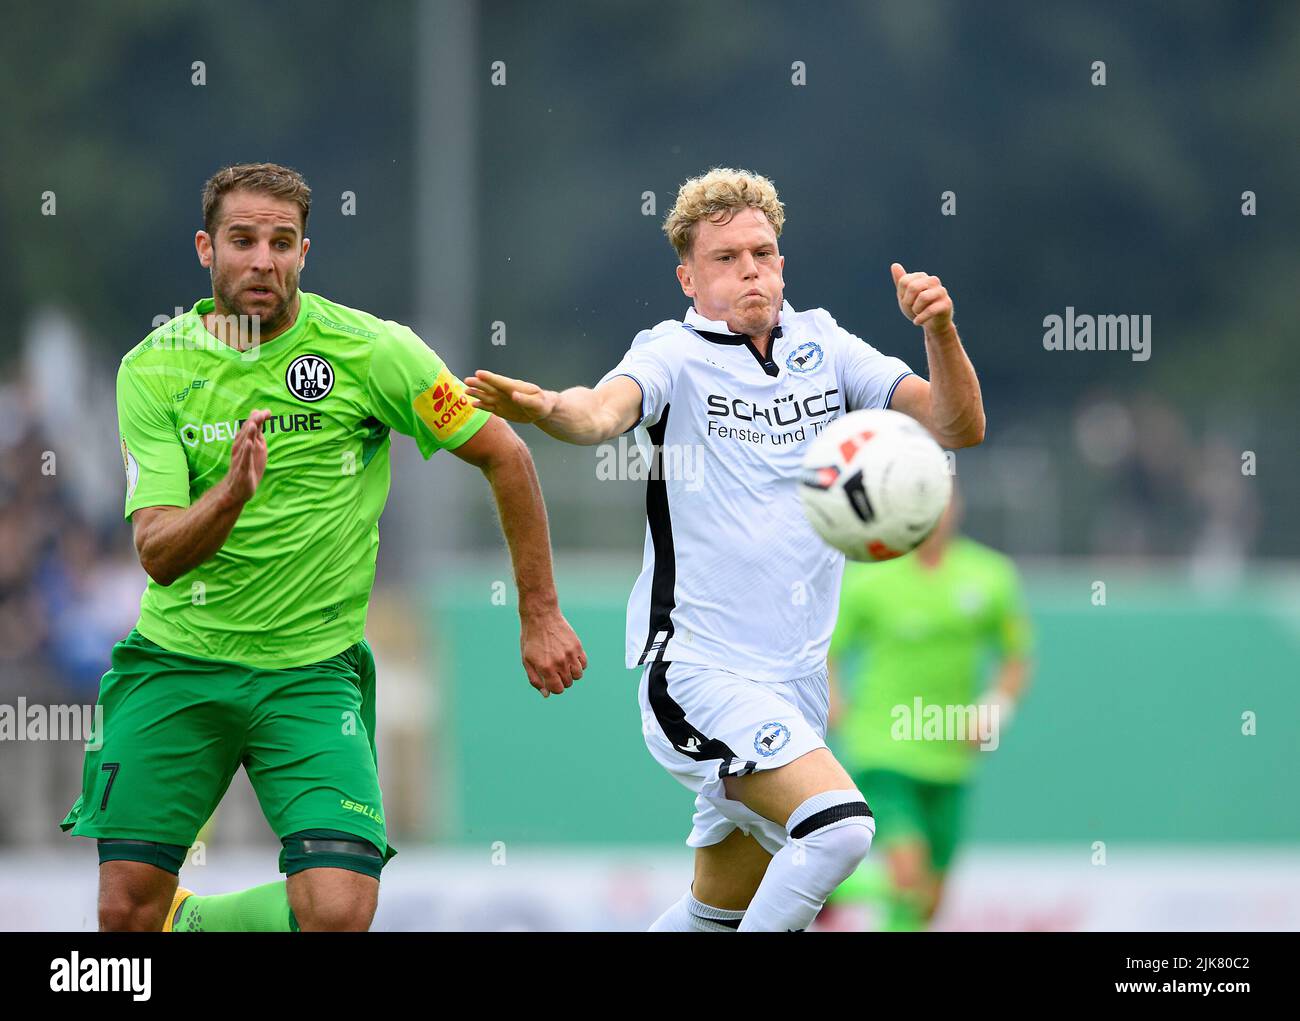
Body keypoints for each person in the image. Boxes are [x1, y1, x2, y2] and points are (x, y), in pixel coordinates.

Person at [61, 162, 586, 931]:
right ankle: (163, 919)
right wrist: (231, 494)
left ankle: (190, 923)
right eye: (243, 240)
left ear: (304, 253)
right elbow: (159, 552)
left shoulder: (374, 352)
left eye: (282, 242)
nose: (262, 260)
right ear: (207, 249)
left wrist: (539, 612)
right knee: (124, 914)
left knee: (338, 911)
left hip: (311, 677)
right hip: (178, 665)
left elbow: (504, 452)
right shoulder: (153, 368)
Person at [465, 167, 984, 931]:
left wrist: (939, 330)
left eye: (762, 254)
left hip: (795, 685)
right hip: (699, 673)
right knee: (840, 830)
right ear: (689, 276)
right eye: (726, 258)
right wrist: (547, 407)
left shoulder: (825, 343)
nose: (750, 271)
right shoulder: (672, 353)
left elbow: (956, 426)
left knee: (716, 914)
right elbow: (599, 412)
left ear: (782, 263)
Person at [827, 496, 1032, 930]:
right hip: (883, 750)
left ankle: (826, 887)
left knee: (928, 903)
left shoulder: (991, 575)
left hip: (951, 758)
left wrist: (995, 709)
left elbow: (1017, 656)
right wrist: (834, 699)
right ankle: (816, 884)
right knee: (908, 874)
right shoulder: (871, 577)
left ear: (957, 507)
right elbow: (829, 648)